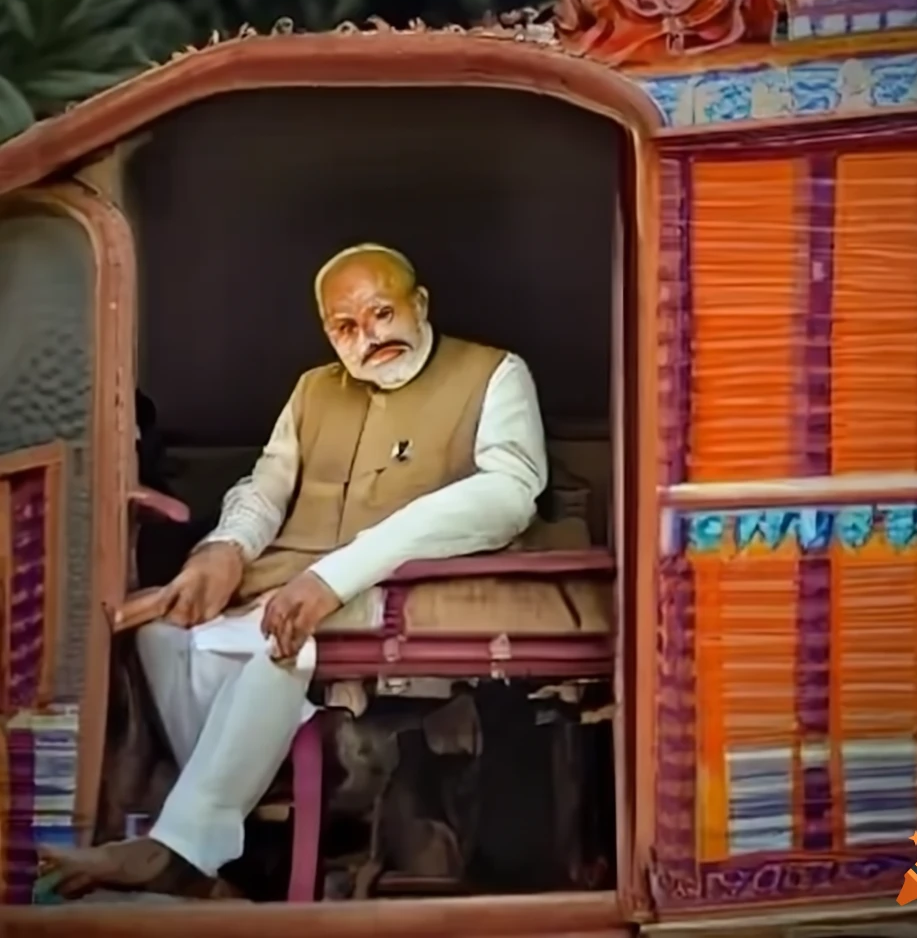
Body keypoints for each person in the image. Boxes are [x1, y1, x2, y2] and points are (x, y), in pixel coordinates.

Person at [41, 242, 548, 897]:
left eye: (382, 313)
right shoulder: (313, 391)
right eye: (346, 327)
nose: (369, 337)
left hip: (390, 586)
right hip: (281, 582)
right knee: (161, 634)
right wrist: (224, 550)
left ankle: (180, 849)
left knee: (282, 642)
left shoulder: (495, 373)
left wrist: (334, 577)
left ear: (419, 304)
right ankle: (222, 827)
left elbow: (508, 494)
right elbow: (265, 489)